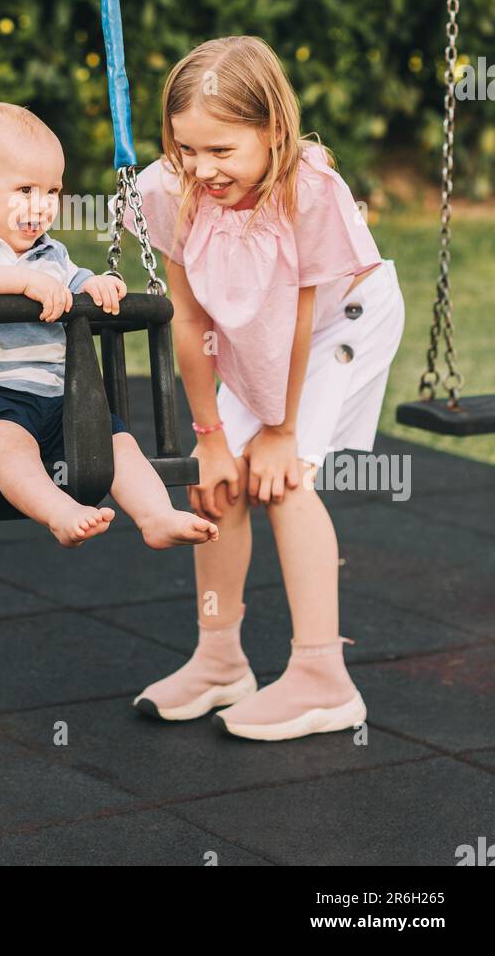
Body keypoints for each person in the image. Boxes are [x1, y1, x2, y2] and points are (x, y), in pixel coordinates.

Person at [123, 36, 405, 741]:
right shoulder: (166, 189)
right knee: (214, 482)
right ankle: (219, 660)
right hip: (254, 329)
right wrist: (208, 438)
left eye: (222, 151)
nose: (202, 168)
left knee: (279, 480)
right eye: (188, 148)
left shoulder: (306, 189)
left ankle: (322, 679)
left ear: (272, 132)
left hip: (343, 317)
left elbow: (303, 311)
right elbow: (188, 320)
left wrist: (278, 433)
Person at [0, 100, 220, 550]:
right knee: (10, 445)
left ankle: (156, 516)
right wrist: (23, 282)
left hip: (56, 401)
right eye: (25, 189)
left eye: (52, 192)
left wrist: (100, 285)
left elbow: (77, 281)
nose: (41, 207)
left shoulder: (52, 255)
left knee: (117, 441)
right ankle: (59, 512)